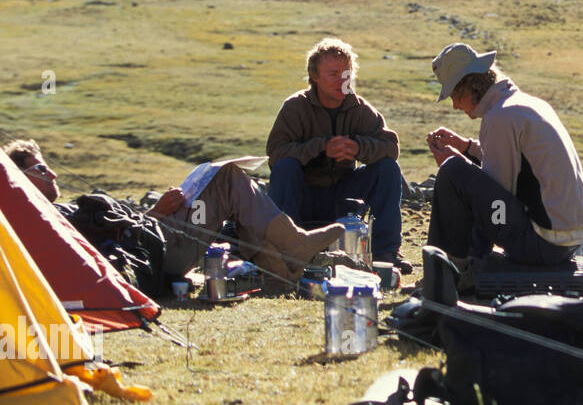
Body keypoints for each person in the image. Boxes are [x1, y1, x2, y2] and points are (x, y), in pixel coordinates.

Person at [3, 138, 342, 285]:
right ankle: (291, 247)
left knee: (221, 178)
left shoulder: (53, 212)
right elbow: (106, 251)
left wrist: (157, 211)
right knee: (224, 178)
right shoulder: (47, 219)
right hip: (166, 251)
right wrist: (159, 214)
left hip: (167, 238)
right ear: (20, 178)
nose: (53, 174)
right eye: (41, 170)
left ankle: (278, 267)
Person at [425, 43, 583, 268]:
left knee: (453, 170)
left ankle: (451, 268)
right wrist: (466, 148)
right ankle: (467, 261)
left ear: (470, 86)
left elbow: (496, 193)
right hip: (567, 241)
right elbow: (515, 167)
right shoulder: (523, 105)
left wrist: (455, 163)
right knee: (460, 169)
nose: (455, 105)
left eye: (454, 94)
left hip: (543, 244)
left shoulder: (500, 118)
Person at [266, 37, 409, 271]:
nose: (342, 80)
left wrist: (358, 147)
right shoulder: (296, 107)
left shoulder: (358, 108)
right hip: (303, 197)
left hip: (343, 200)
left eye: (347, 74)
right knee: (285, 168)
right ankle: (289, 250)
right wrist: (321, 148)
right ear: (315, 76)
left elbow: (390, 146)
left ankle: (386, 253)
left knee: (387, 168)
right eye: (333, 74)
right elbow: (275, 153)